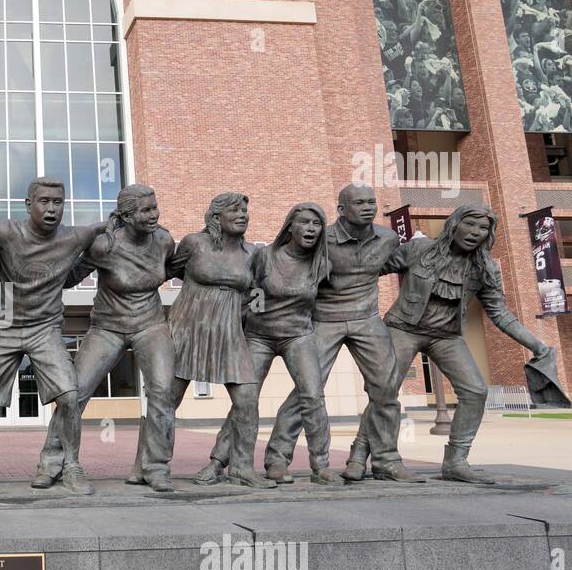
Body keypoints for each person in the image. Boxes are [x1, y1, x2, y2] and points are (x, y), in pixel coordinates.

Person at [345, 203, 558, 484]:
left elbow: (500, 313)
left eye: (483, 228)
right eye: (470, 224)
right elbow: (369, 272)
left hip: (447, 337)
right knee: (384, 391)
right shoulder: (418, 250)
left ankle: (456, 461)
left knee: (476, 390)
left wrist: (537, 344)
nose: (475, 232)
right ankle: (359, 456)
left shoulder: (486, 269)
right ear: (454, 224)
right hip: (402, 329)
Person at [0, 177, 114, 496]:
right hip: (3, 326)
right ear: (28, 205)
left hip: (45, 328)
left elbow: (110, 227)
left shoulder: (77, 236)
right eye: (44, 202)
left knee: (69, 397)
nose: (51, 209)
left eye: (57, 203)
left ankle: (69, 464)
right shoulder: (4, 231)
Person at [264, 182, 421, 484]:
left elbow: (394, 264)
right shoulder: (322, 240)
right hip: (325, 319)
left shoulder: (387, 238)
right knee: (306, 391)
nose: (368, 207)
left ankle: (386, 459)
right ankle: (277, 459)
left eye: (371, 202)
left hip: (367, 319)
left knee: (386, 390)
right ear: (341, 209)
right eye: (360, 202)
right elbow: (293, 265)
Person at [34, 183, 180, 492]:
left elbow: (178, 271)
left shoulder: (165, 241)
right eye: (146, 210)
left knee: (163, 391)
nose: (154, 214)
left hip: (151, 324)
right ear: (126, 216)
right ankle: (52, 462)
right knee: (75, 392)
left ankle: (154, 466)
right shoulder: (104, 245)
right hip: (107, 327)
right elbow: (69, 277)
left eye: (155, 207)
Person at [196, 202, 345, 485]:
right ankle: (218, 462)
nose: (310, 229)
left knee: (313, 397)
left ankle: (321, 466)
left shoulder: (322, 265)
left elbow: (325, 302)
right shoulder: (263, 256)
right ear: (290, 226)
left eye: (316, 224)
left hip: (298, 335)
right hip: (258, 335)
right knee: (245, 401)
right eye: (304, 222)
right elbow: (242, 292)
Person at [160, 192, 274, 489]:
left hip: (229, 332)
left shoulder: (253, 254)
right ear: (215, 217)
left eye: (245, 211)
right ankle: (152, 466)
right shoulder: (193, 243)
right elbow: (165, 272)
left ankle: (242, 467)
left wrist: (248, 313)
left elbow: (257, 292)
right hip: (187, 327)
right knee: (167, 399)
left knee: (247, 399)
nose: (243, 215)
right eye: (235, 210)